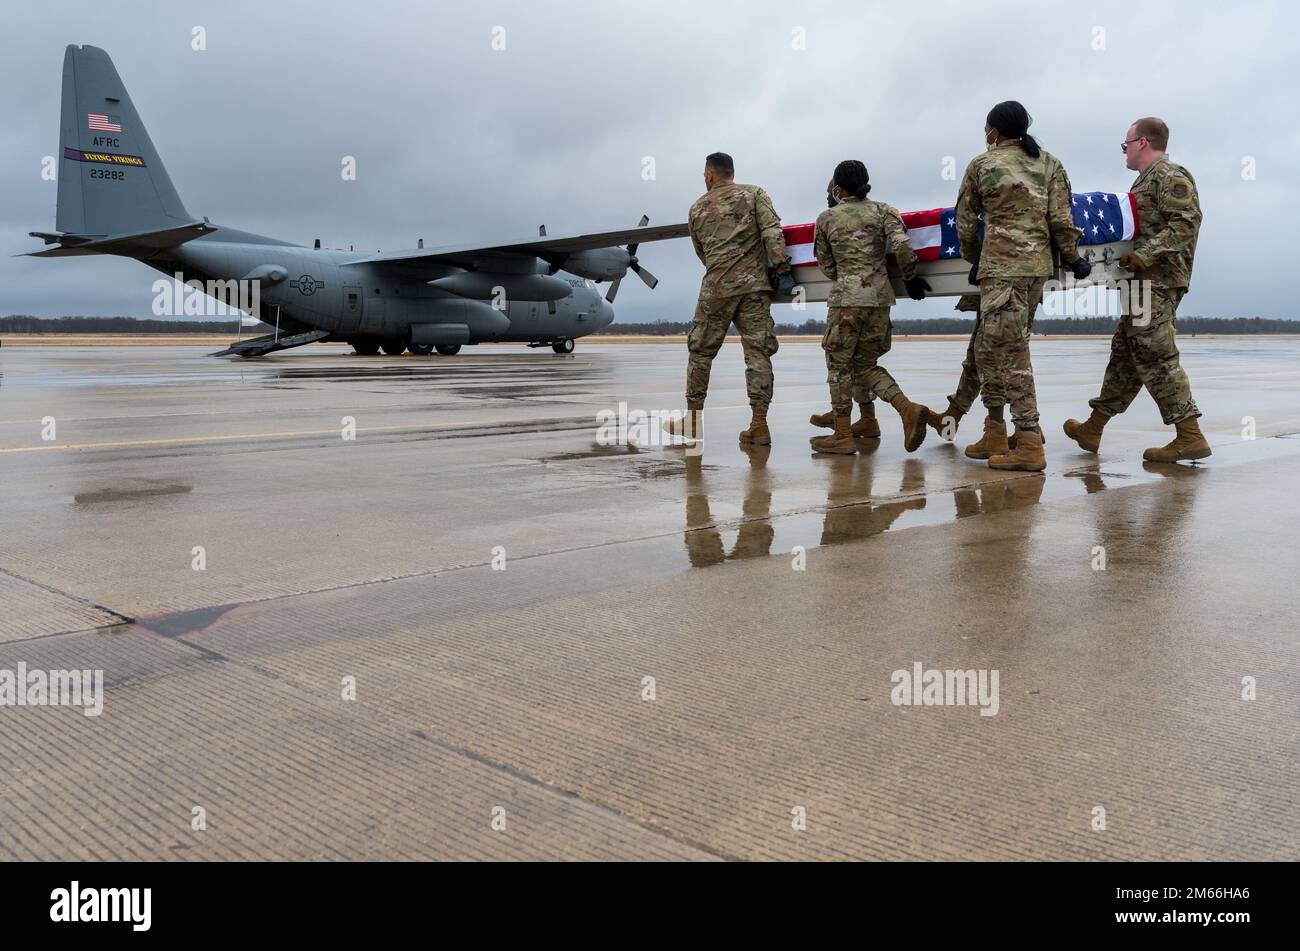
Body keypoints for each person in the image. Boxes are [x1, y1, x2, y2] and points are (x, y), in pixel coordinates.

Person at [1063, 117, 1210, 462]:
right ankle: (1094, 427)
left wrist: (1145, 254)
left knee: (1155, 354)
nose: (1124, 152)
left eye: (1125, 144)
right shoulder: (1144, 182)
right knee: (1126, 354)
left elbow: (1187, 223)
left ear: (1143, 142)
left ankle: (1190, 435)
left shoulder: (1169, 176)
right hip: (1142, 283)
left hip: (1158, 280)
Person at [953, 100, 1089, 471]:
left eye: (986, 129)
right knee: (987, 349)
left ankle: (1029, 441)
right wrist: (1072, 256)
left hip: (1003, 269)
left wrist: (974, 257)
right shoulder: (1049, 163)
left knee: (1011, 355)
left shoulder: (982, 165)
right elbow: (1061, 218)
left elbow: (964, 222)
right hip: (1035, 270)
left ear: (994, 130)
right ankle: (995, 431)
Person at [664, 152, 793, 447]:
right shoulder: (754, 194)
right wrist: (783, 269)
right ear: (731, 173)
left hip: (717, 287)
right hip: (754, 288)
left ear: (710, 175)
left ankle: (693, 421)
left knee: (700, 353)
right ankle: (759, 424)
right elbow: (772, 233)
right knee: (758, 353)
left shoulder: (696, 208)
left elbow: (702, 253)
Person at [807, 160, 931, 454]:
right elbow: (902, 245)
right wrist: (911, 277)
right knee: (865, 366)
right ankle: (905, 409)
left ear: (838, 187)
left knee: (838, 368)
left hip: (847, 301)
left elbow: (826, 265)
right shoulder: (884, 210)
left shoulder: (826, 218)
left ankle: (841, 434)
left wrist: (849, 277)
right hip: (880, 300)